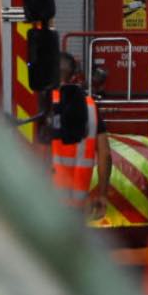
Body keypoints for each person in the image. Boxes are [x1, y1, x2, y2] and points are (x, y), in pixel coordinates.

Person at [50, 52, 111, 220]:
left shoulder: (41, 103)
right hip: (76, 207)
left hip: (43, 203)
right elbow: (105, 154)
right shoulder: (90, 106)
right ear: (74, 76)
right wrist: (102, 194)